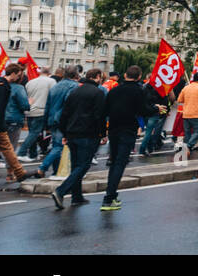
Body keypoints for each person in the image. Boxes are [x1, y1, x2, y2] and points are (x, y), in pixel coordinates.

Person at [52, 68, 107, 209]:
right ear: (97, 77)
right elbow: (99, 115)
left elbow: (65, 113)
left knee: (76, 165)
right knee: (84, 165)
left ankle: (76, 196)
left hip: (72, 132)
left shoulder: (75, 91)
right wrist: (103, 133)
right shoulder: (98, 93)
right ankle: (61, 191)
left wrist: (64, 133)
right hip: (88, 133)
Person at [101, 65, 147, 211]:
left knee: (114, 162)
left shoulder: (114, 90)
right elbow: (143, 110)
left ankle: (112, 195)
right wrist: (156, 109)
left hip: (114, 129)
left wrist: (103, 132)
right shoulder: (138, 91)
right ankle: (108, 198)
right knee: (120, 163)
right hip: (128, 130)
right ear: (139, 77)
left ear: (125, 75)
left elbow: (105, 111)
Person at [0, 63, 29, 183]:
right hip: (5, 123)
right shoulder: (4, 86)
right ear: (14, 73)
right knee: (9, 148)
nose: (19, 78)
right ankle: (17, 172)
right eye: (18, 75)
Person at [37, 65, 79, 180]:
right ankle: (42, 168)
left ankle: (56, 171)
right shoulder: (74, 86)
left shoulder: (56, 86)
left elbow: (48, 105)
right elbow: (69, 104)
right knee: (59, 146)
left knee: (56, 145)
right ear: (75, 75)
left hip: (52, 119)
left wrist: (45, 123)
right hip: (63, 120)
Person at [19, 66, 56, 161]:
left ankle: (33, 154)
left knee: (33, 133)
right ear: (49, 73)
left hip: (30, 110)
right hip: (41, 110)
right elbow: (53, 96)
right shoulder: (51, 81)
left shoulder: (30, 82)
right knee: (34, 133)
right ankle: (21, 152)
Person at [178, 71, 198, 155]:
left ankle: (186, 148)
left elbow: (179, 100)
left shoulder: (186, 88)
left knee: (187, 132)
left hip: (185, 113)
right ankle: (188, 146)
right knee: (197, 131)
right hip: (196, 113)